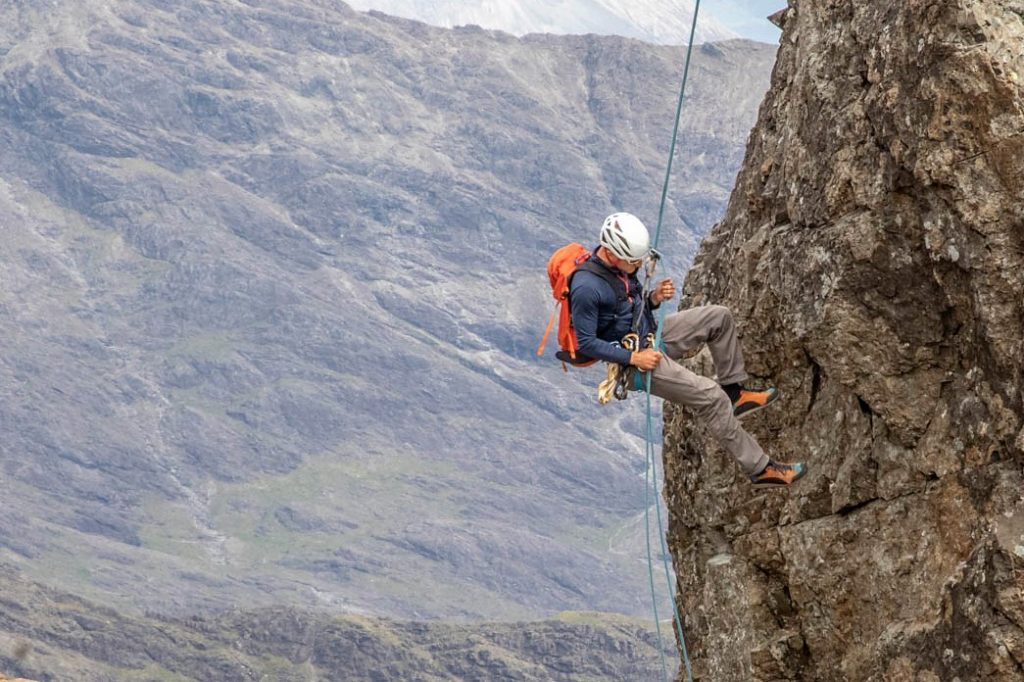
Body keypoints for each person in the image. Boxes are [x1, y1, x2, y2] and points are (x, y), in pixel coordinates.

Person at [569, 212, 807, 487]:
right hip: (634, 362)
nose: (637, 265)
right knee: (710, 398)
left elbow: (623, 310)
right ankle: (761, 469)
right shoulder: (587, 287)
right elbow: (586, 342)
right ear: (612, 254)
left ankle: (736, 394)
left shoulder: (619, 269)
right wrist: (635, 357)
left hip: (648, 336)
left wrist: (653, 300)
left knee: (719, 317)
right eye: (633, 261)